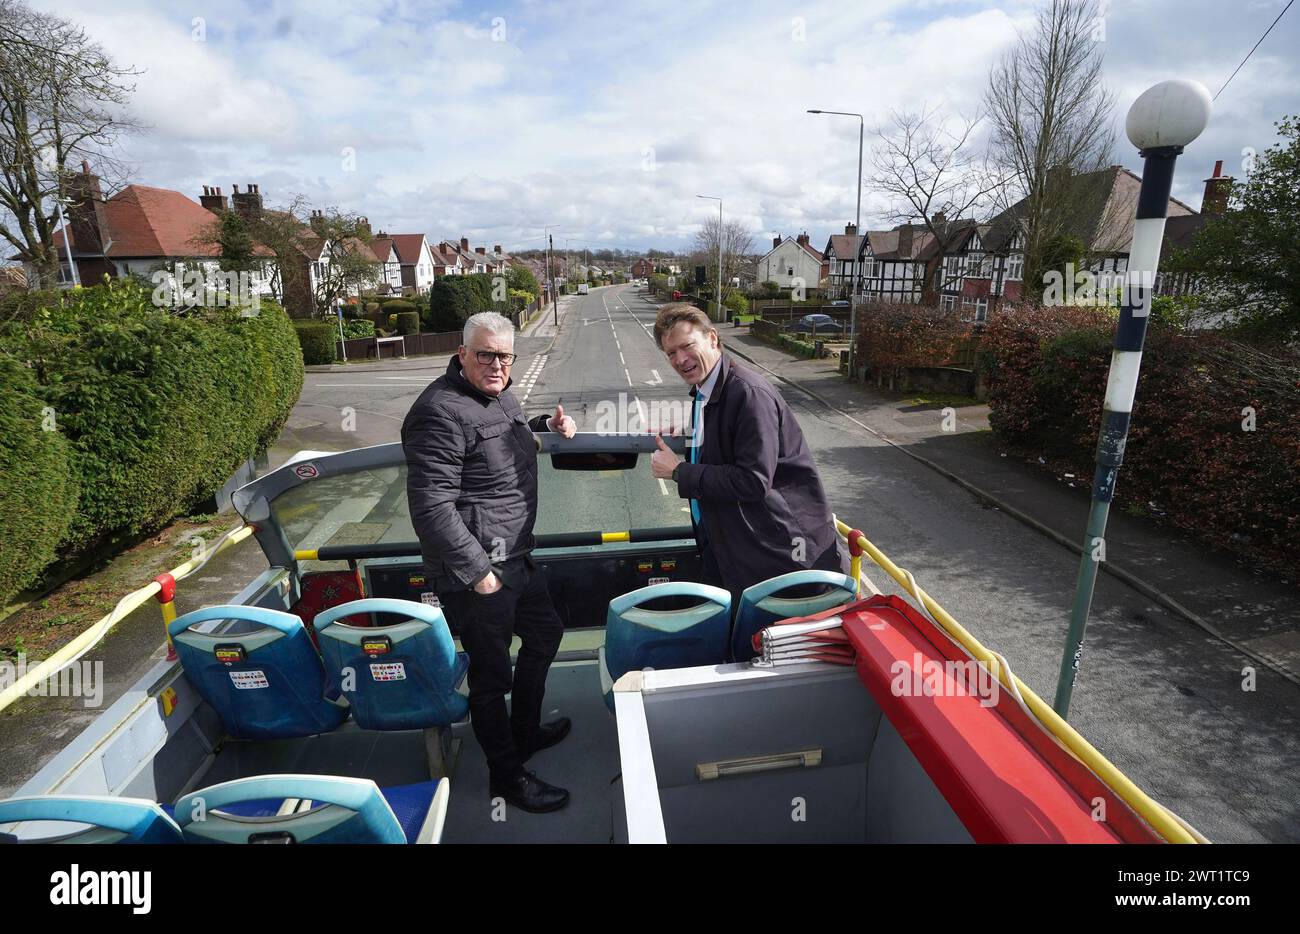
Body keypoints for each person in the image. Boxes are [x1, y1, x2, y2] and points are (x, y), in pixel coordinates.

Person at [402, 311, 577, 813]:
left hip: (516, 559)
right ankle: (506, 777)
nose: (497, 364)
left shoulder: (499, 396)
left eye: (504, 355)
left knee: (546, 635)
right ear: (462, 354)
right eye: (485, 354)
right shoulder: (438, 411)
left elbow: (508, 435)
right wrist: (478, 573)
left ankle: (523, 734)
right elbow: (431, 506)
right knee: (490, 679)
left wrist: (548, 425)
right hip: (480, 573)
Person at [649, 303, 847, 608]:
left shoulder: (748, 394)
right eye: (671, 353)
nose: (680, 360)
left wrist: (679, 471)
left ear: (713, 338)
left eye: (687, 346)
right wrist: (694, 434)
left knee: (765, 651)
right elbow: (732, 443)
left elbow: (753, 480)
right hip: (736, 548)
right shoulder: (707, 391)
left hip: (780, 560)